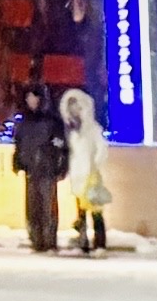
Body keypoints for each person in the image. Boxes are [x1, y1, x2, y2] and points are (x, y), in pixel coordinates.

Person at [6, 83, 69, 255]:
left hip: (47, 170)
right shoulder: (25, 123)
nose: (31, 101)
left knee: (47, 206)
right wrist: (18, 162)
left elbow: (61, 146)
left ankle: (49, 241)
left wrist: (61, 165)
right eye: (29, 98)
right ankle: (36, 239)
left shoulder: (52, 122)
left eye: (34, 98)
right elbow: (19, 145)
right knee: (33, 207)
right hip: (31, 170)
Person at [61, 86, 111, 254]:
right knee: (81, 211)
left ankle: (100, 245)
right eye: (71, 107)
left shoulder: (93, 129)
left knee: (96, 212)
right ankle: (82, 243)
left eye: (77, 106)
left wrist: (94, 165)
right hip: (77, 176)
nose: (75, 110)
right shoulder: (70, 130)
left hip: (91, 176)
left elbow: (102, 149)